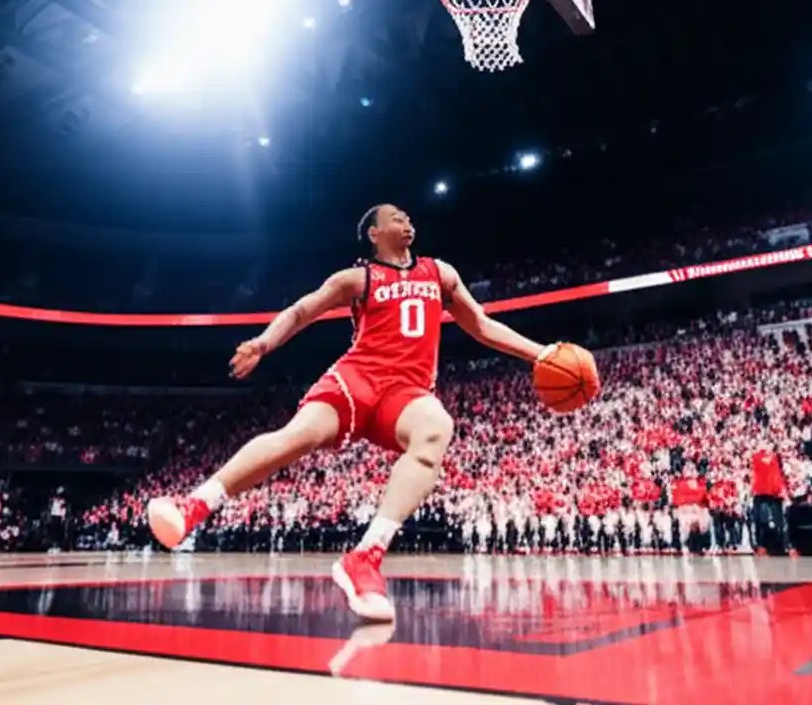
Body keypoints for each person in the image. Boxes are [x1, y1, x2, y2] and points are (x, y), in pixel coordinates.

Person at [147, 204, 558, 621]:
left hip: (406, 391)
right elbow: (302, 310)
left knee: (437, 427)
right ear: (374, 233)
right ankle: (193, 506)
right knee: (297, 437)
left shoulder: (441, 274)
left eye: (408, 217)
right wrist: (264, 343)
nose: (406, 221)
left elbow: (483, 326)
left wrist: (541, 353)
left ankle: (365, 557)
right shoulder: (357, 278)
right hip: (356, 380)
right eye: (395, 217)